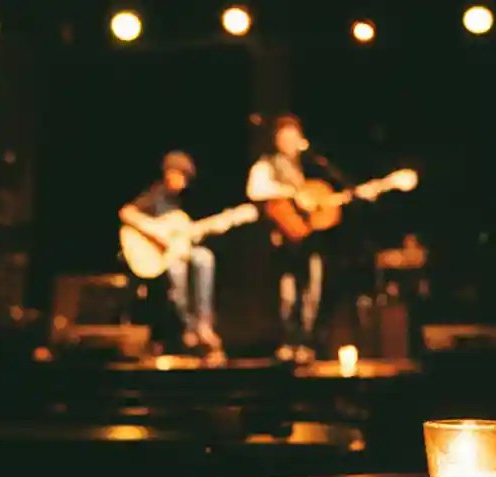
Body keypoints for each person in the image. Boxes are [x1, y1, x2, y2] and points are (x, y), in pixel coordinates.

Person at [246, 114, 377, 362]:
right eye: (284, 137)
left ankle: (308, 342)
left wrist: (354, 194)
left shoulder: (312, 166)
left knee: (312, 291)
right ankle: (289, 342)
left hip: (312, 241)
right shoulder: (268, 165)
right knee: (288, 293)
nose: (289, 142)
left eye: (293, 137)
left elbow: (330, 195)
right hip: (284, 242)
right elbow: (255, 190)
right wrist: (292, 193)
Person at [119, 151, 221, 352]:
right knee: (177, 268)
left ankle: (204, 323)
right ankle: (187, 326)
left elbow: (186, 233)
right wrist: (156, 232)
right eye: (178, 175)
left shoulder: (181, 202)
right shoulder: (155, 195)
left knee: (204, 258)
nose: (181, 182)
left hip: (178, 251)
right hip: (161, 257)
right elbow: (126, 213)